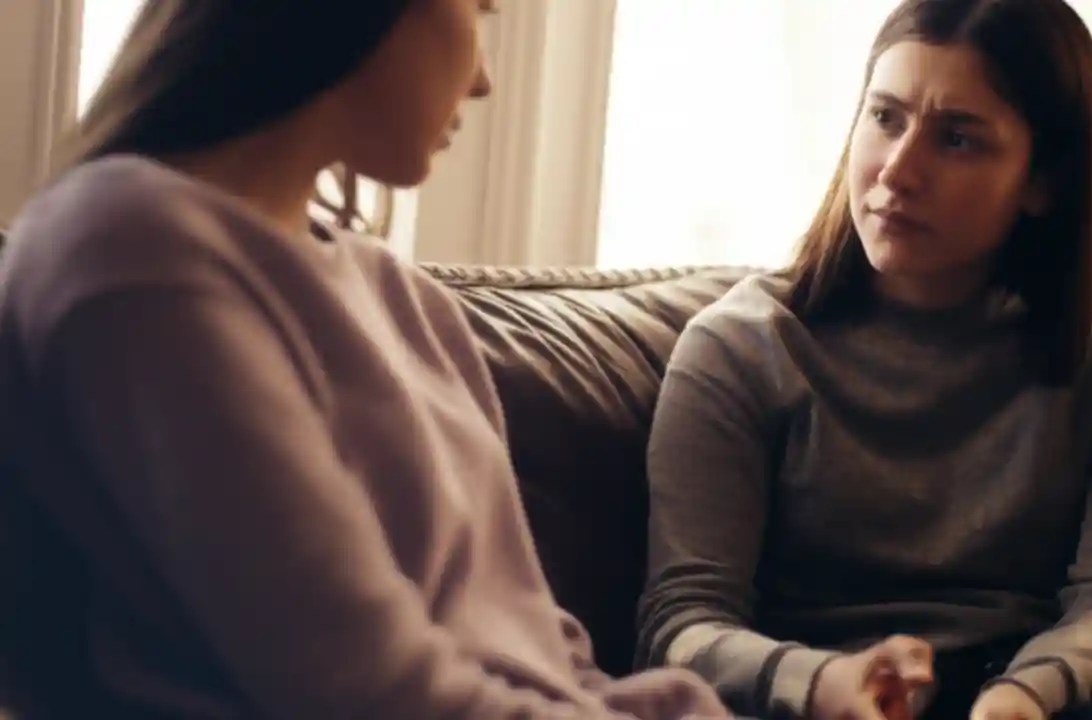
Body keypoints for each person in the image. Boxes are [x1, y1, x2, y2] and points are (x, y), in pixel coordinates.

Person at [0, 1, 732, 718]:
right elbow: (363, 686)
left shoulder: (405, 299)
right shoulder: (133, 248)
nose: (482, 80)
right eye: (480, 11)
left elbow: (541, 646)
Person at [637, 0, 1092, 719]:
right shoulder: (742, 345)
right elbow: (679, 626)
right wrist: (823, 683)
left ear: (1042, 182)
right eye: (885, 117)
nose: (897, 171)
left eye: (957, 139)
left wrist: (1025, 696)